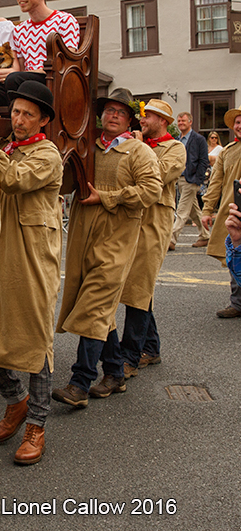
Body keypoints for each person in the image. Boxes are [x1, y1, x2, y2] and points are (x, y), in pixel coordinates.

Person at [0, 80, 62, 466]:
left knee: (36, 340)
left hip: (33, 258)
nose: (18, 120)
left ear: (43, 121)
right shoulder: (4, 148)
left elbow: (11, 180)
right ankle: (15, 399)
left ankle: (36, 425)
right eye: (15, 112)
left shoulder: (48, 153)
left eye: (27, 114)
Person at [52, 89, 161, 408]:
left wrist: (108, 197)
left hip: (117, 243)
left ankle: (79, 382)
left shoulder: (139, 152)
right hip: (83, 239)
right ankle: (114, 372)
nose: (112, 116)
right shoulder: (88, 148)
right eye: (108, 111)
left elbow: (151, 191)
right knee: (99, 311)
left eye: (120, 112)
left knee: (95, 308)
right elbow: (68, 185)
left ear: (129, 120)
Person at [118, 100, 184, 378]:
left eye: (150, 117)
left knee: (139, 284)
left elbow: (160, 173)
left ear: (163, 122)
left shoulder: (175, 148)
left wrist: (140, 147)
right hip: (133, 216)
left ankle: (129, 358)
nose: (142, 121)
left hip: (155, 220)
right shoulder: (139, 143)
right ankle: (151, 348)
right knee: (139, 286)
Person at [201, 106, 241, 318]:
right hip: (232, 212)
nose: (239, 126)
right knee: (234, 257)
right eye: (237, 122)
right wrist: (207, 209)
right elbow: (215, 182)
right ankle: (238, 303)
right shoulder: (227, 152)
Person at [169, 112, 209, 250]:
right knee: (193, 210)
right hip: (179, 179)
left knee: (182, 210)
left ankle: (171, 239)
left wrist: (198, 179)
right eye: (179, 121)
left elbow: (204, 160)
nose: (181, 123)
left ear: (190, 122)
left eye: (183, 121)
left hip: (191, 180)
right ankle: (205, 236)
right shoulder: (177, 140)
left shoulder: (199, 139)